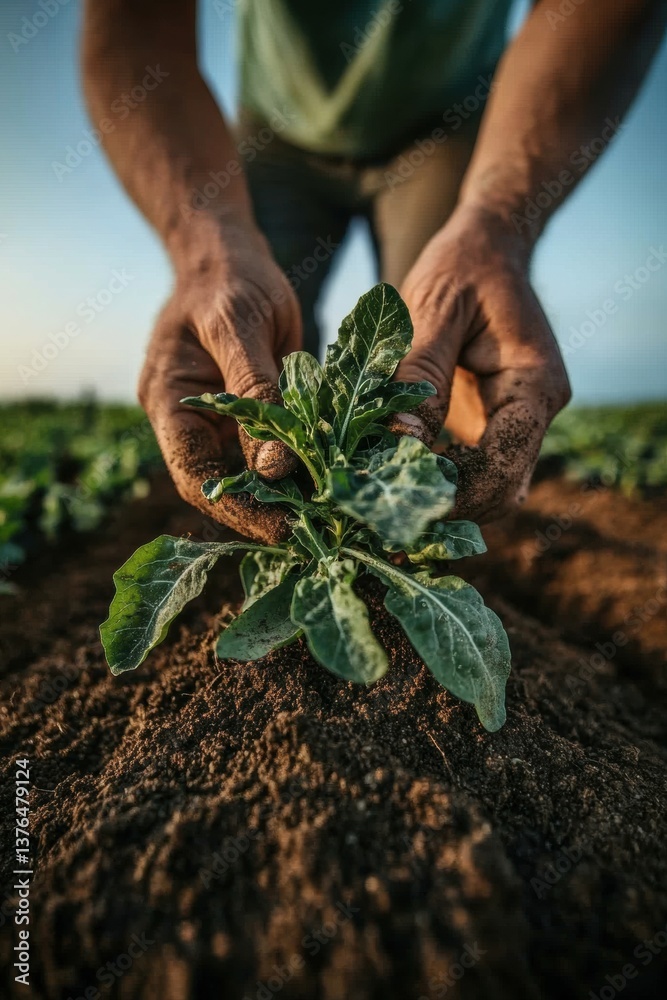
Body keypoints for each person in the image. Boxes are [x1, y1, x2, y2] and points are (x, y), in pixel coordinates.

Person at [81, 0, 664, 542]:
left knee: (442, 365)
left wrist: (497, 225)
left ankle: (403, 539)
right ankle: (287, 538)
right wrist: (204, 252)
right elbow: (134, 25)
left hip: (448, 120)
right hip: (280, 127)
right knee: (249, 349)